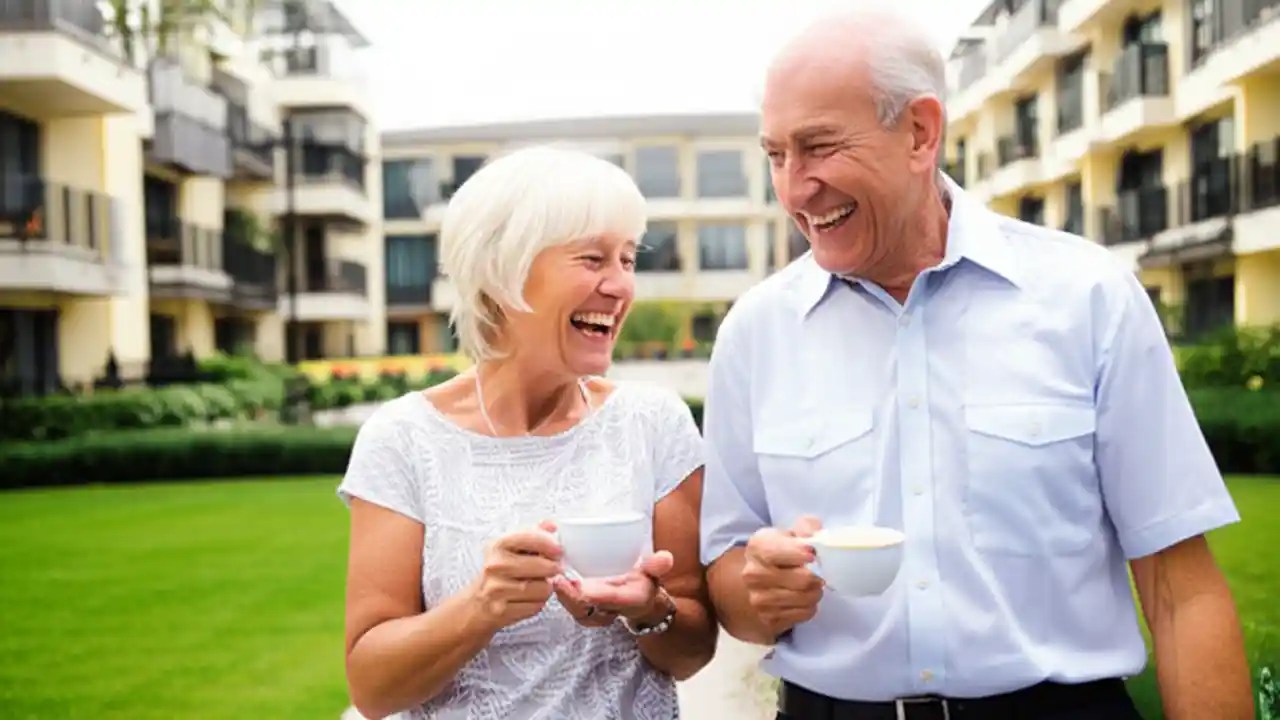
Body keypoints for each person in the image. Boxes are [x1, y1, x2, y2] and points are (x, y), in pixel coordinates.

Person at [699, 7, 1254, 720]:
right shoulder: (754, 332)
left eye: (819, 147)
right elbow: (726, 577)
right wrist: (755, 590)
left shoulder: (1087, 295)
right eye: (776, 155)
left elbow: (1181, 589)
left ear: (921, 133)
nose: (794, 187)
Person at [338, 145, 715, 720]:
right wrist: (482, 606)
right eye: (593, 259)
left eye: (628, 260)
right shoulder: (402, 440)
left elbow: (692, 650)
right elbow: (372, 687)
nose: (620, 287)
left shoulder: (653, 424)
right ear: (503, 272)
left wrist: (648, 608)